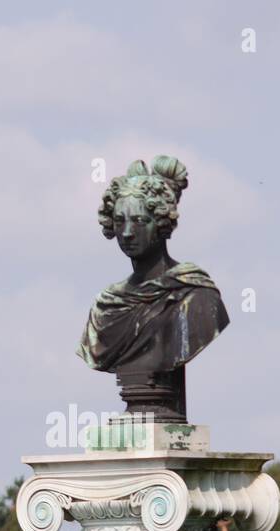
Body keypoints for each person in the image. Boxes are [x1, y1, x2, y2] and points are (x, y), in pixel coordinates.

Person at [77, 156, 229, 421]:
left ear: (160, 223)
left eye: (138, 220)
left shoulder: (197, 296)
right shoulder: (106, 307)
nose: (126, 233)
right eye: (119, 220)